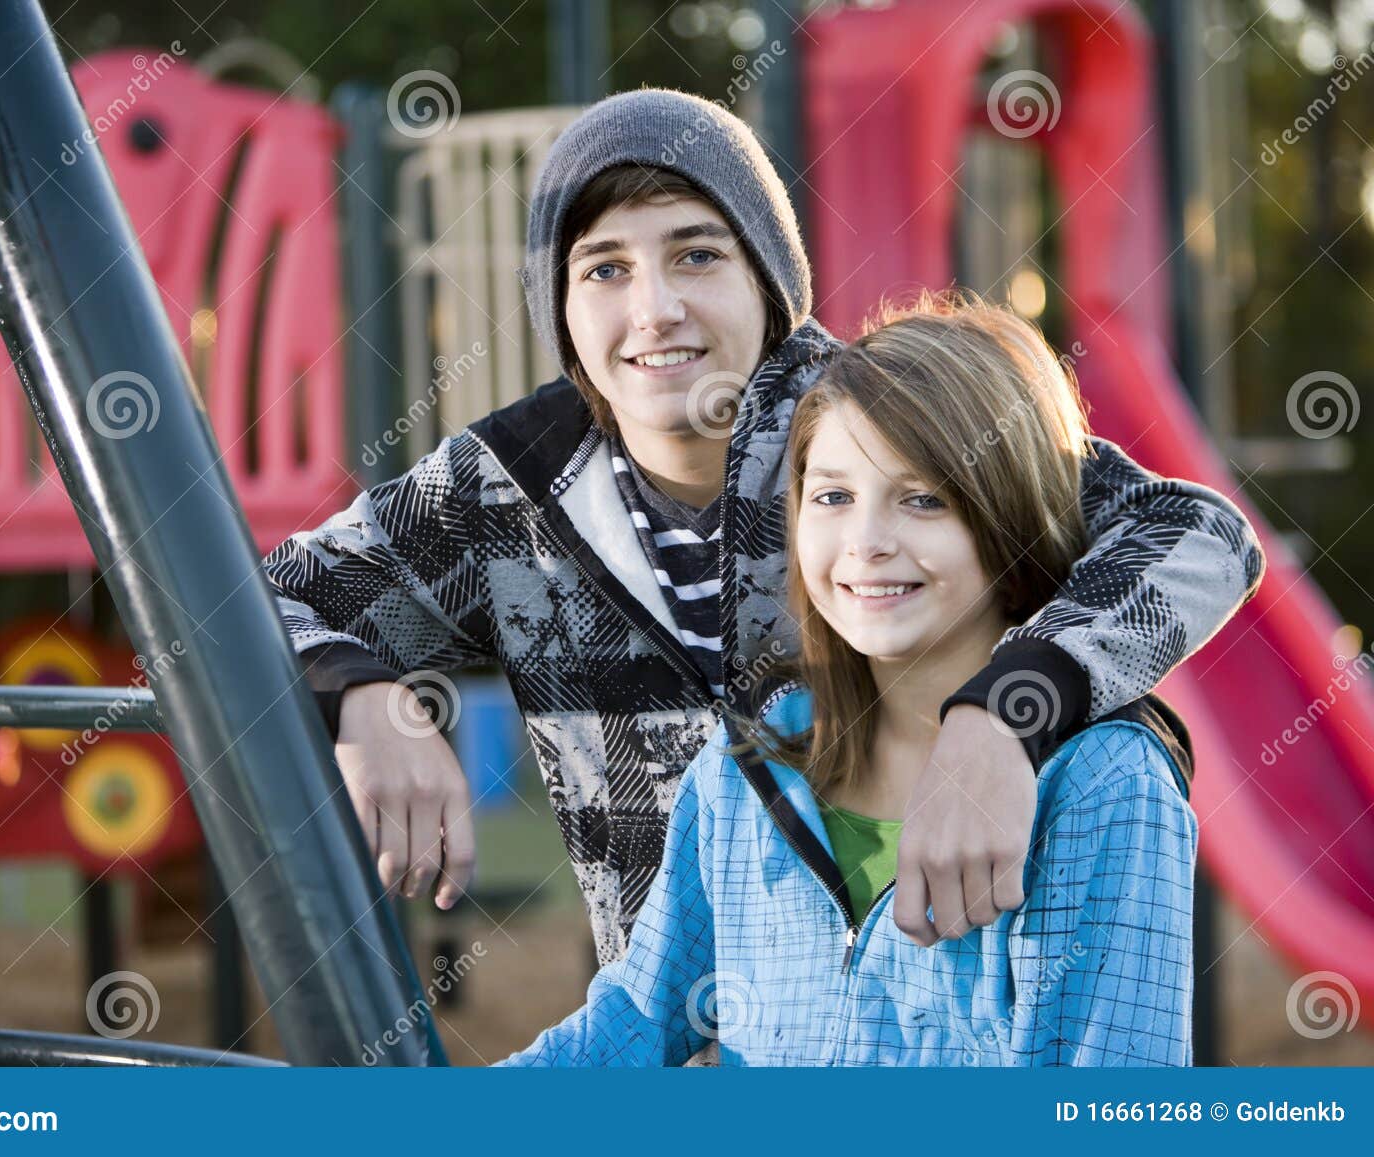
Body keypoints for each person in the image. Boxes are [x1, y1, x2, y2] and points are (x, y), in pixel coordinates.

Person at [260, 87, 1260, 967]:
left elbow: (1197, 533)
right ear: (560, 309)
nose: (653, 310)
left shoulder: (879, 418)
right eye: (602, 269)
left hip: (935, 1012)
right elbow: (247, 593)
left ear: (768, 283)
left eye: (695, 253)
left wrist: (1003, 711)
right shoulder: (503, 489)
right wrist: (365, 695)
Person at [497, 291, 1198, 1066]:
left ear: (1010, 518)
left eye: (923, 499)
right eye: (832, 496)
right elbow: (630, 1020)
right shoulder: (744, 770)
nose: (865, 542)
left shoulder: (1102, 785)